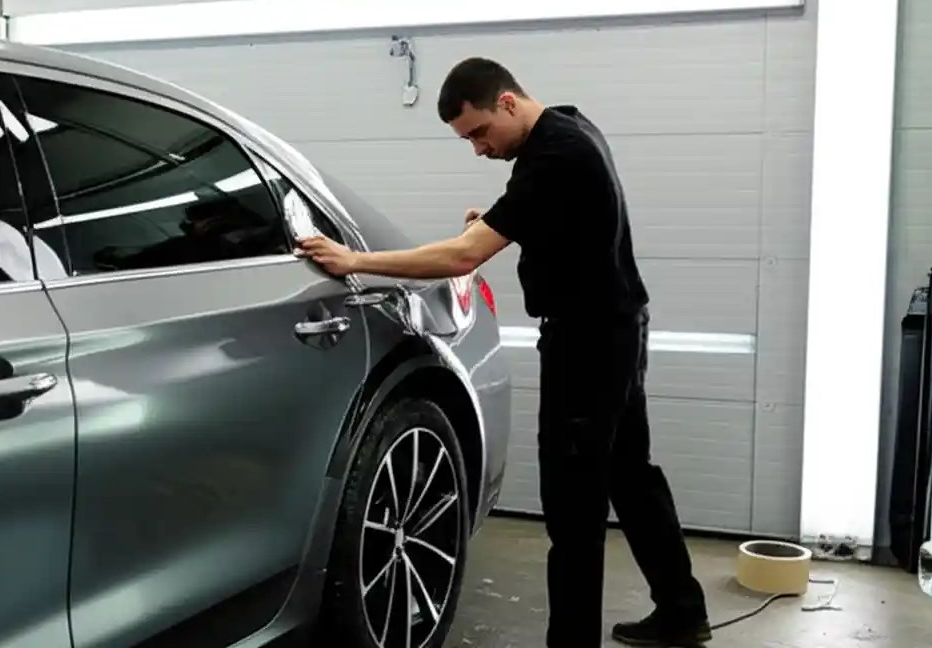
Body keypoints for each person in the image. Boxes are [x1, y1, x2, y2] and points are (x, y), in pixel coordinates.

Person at [295, 57, 711, 647]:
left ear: (508, 103)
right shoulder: (570, 125)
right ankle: (682, 610)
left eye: (480, 132)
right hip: (617, 328)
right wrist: (496, 221)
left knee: (573, 505)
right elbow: (560, 217)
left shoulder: (554, 154)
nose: (479, 149)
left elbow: (462, 257)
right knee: (630, 475)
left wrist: (354, 260)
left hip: (587, 345)